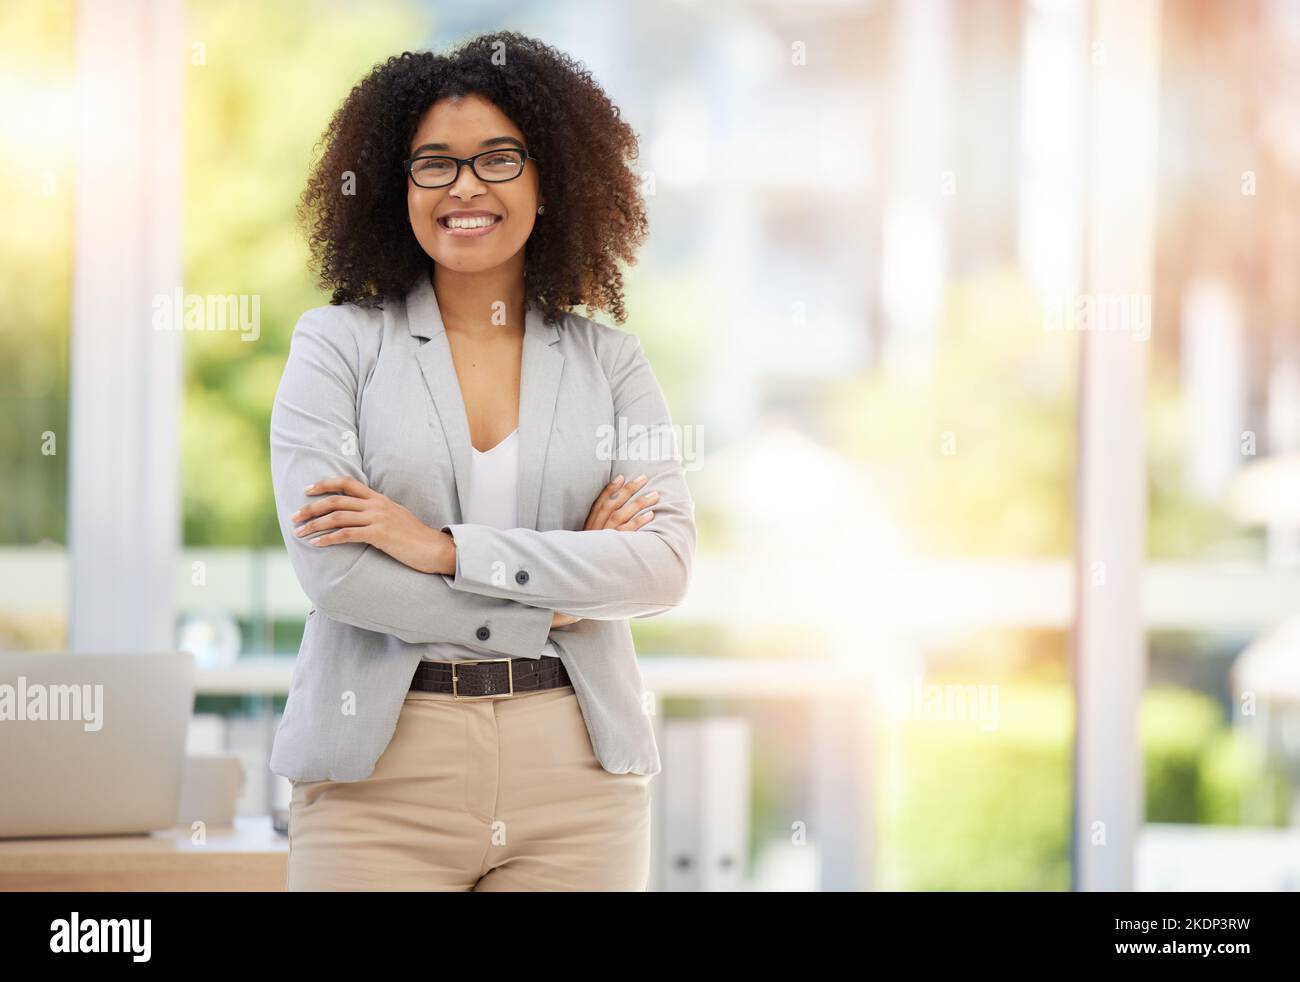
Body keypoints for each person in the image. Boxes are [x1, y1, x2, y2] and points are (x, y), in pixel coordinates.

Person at [268, 31, 696, 891]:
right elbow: (339, 576)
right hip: (380, 780)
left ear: (553, 180)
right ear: (400, 188)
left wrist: (446, 549)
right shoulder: (336, 347)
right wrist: (559, 597)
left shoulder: (611, 362)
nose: (465, 186)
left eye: (498, 158)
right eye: (435, 163)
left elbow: (661, 565)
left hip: (577, 777)